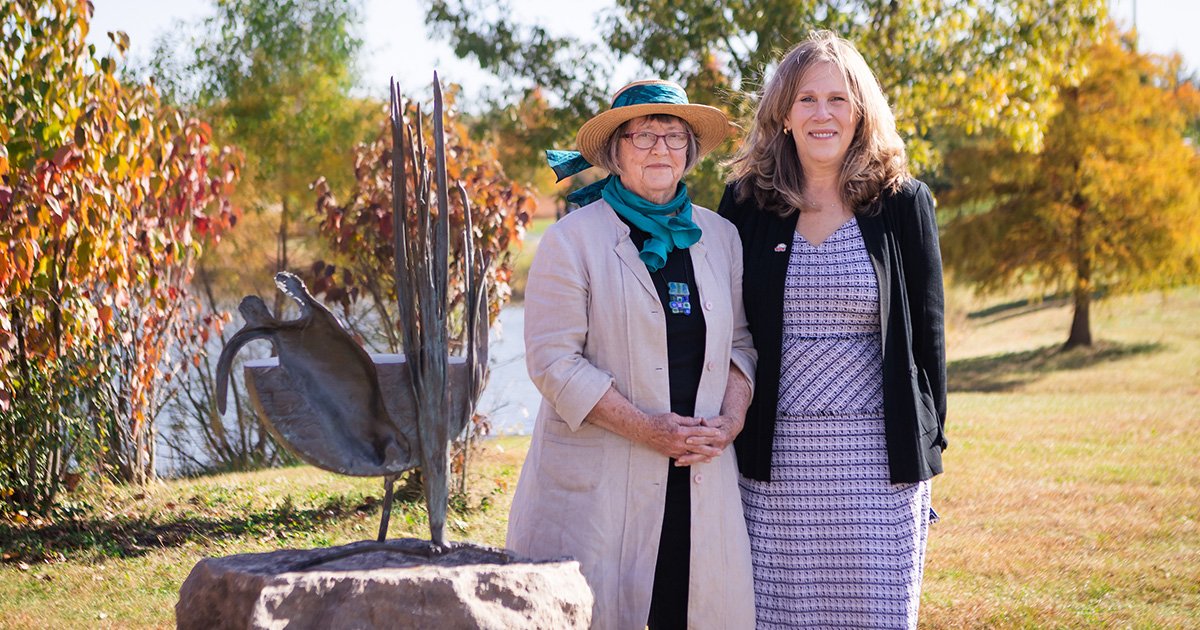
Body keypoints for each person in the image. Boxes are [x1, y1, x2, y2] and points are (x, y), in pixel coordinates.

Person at [507, 79, 757, 630]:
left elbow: (741, 343)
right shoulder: (571, 240)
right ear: (615, 152)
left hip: (700, 473)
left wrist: (731, 420)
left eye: (674, 137)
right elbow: (553, 363)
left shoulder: (720, 237)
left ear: (691, 152)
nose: (661, 149)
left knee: (688, 607)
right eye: (644, 136)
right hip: (599, 483)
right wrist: (647, 428)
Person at [718, 31, 947, 629]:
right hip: (774, 463)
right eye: (807, 100)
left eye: (838, 99)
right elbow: (723, 327)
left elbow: (929, 340)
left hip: (878, 460)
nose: (823, 114)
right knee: (775, 616)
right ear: (784, 116)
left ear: (861, 111)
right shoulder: (744, 204)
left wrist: (929, 448)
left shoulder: (903, 203)